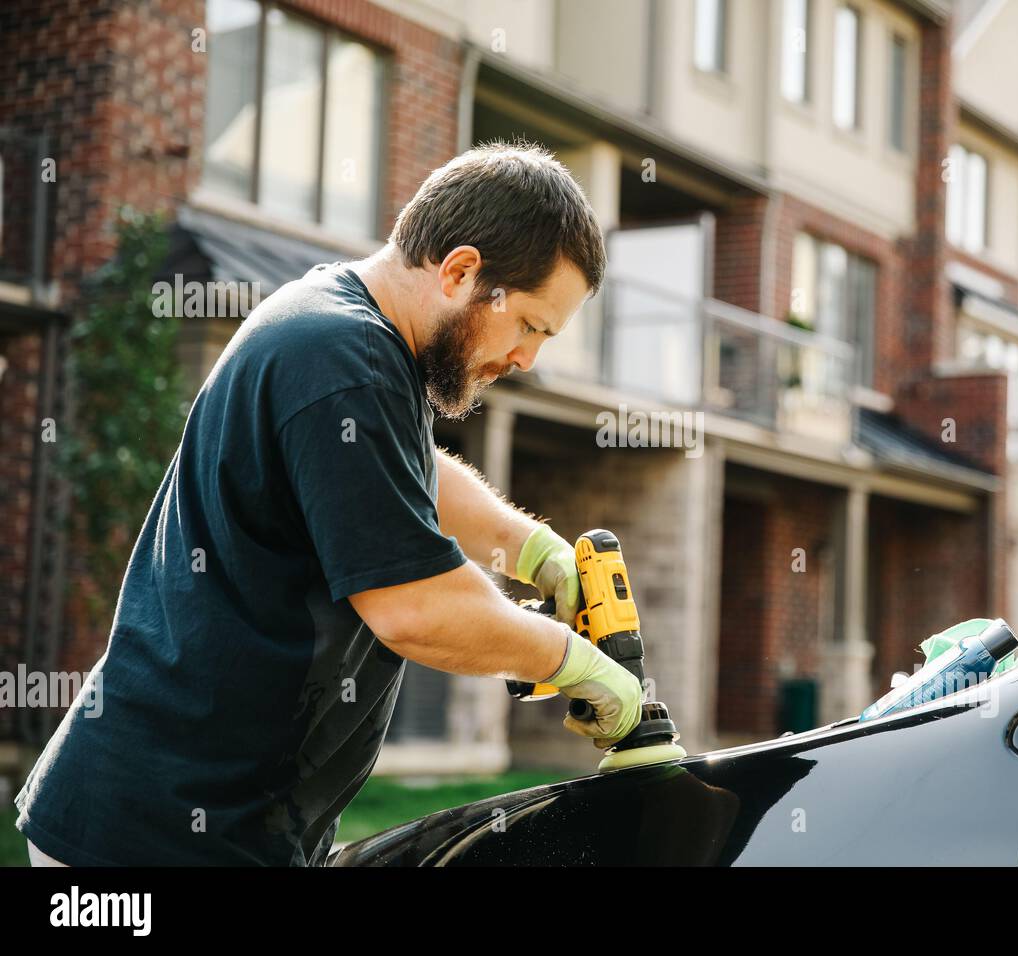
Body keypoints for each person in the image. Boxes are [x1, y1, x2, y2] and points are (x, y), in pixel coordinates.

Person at [15, 141, 643, 866]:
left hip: (203, 825)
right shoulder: (345, 360)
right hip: (151, 837)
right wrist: (580, 664)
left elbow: (405, 469)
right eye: (530, 326)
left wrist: (533, 551)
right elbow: (416, 610)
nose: (527, 359)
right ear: (462, 271)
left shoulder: (342, 329)